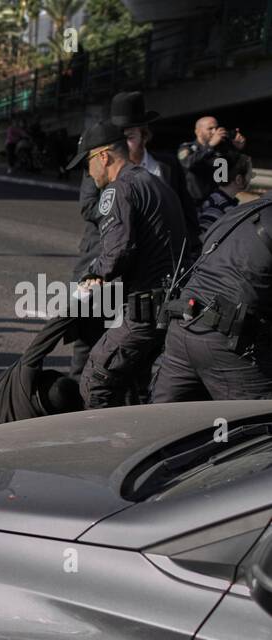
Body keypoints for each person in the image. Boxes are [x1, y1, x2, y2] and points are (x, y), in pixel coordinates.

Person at [64, 122, 188, 408]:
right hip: (169, 306)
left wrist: (94, 275)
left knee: (95, 377)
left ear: (103, 157)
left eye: (87, 163)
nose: (87, 172)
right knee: (136, 385)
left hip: (143, 308)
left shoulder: (118, 189)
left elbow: (118, 251)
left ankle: (105, 448)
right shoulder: (155, 183)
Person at [152, 193, 272, 402]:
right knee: (257, 423)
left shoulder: (242, 210)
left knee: (162, 424)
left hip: (181, 327)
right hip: (227, 341)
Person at [113, 92, 199, 250]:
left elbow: (186, 208)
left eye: (130, 137)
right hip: (120, 253)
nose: (123, 145)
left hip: (165, 253)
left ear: (143, 136)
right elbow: (91, 210)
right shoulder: (103, 167)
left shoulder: (167, 165)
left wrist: (192, 246)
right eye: (120, 138)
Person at [178, 114, 248, 208]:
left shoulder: (220, 149)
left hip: (216, 202)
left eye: (216, 128)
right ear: (198, 131)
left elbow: (234, 170)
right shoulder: (188, 148)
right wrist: (210, 146)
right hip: (194, 204)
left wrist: (236, 148)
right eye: (210, 129)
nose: (214, 132)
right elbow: (188, 163)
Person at [197, 151, 252, 233]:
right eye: (250, 175)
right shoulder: (216, 207)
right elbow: (203, 240)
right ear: (239, 179)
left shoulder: (223, 202)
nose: (251, 179)